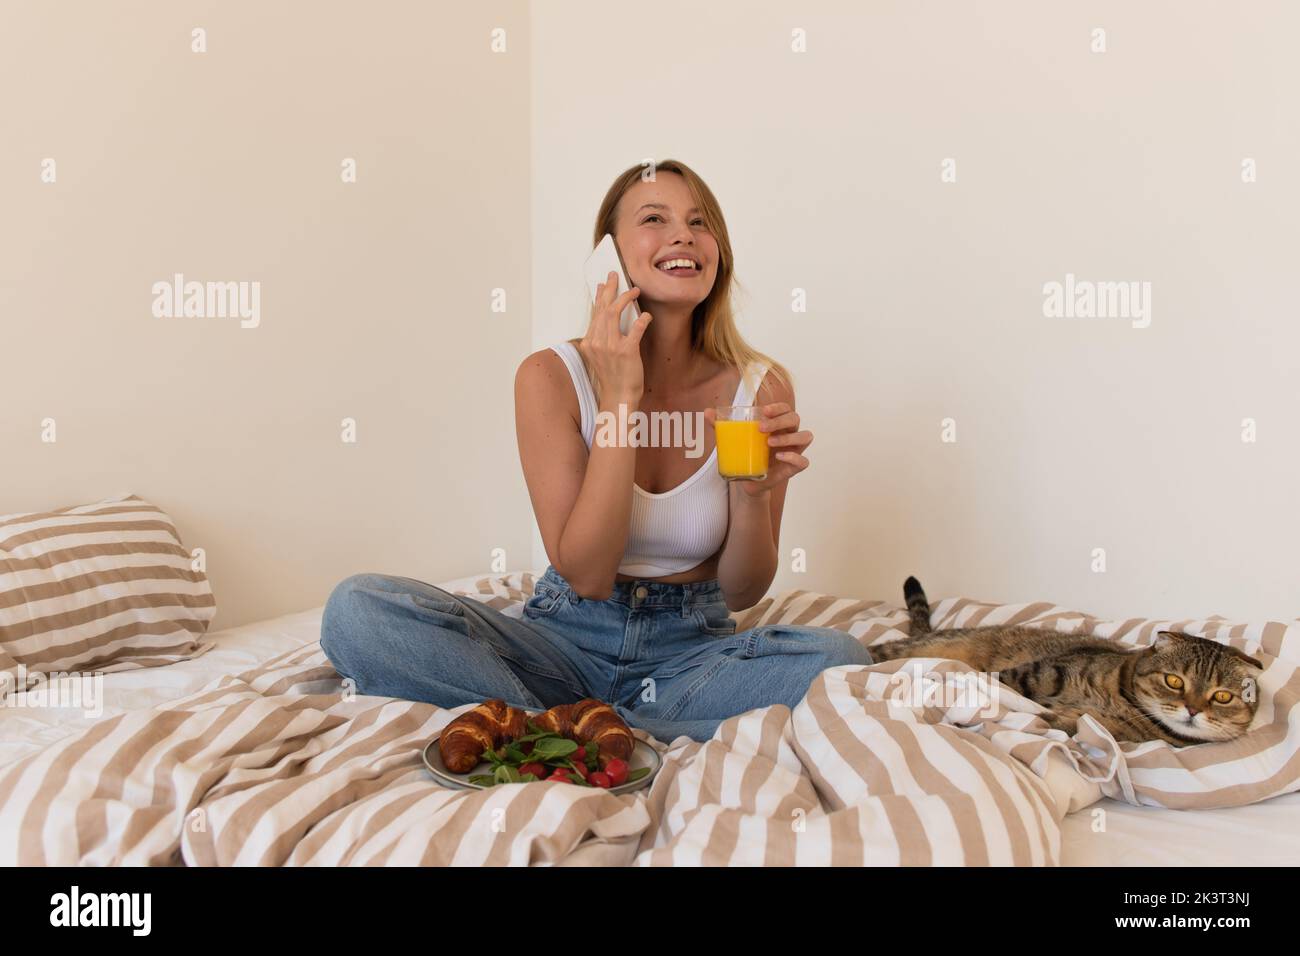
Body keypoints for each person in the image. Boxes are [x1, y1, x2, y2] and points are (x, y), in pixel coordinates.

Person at [320, 159, 872, 744]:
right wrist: (621, 397)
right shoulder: (549, 377)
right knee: (357, 609)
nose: (683, 234)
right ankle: (622, 728)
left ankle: (576, 728)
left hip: (689, 657)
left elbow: (742, 591)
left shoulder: (759, 388)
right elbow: (584, 573)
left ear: (719, 252)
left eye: (700, 222)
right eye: (654, 218)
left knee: (841, 656)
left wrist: (753, 494)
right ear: (606, 257)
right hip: (558, 648)